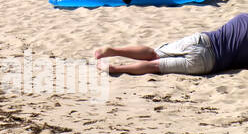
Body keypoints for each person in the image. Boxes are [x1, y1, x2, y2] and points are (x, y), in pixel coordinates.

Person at [96, 12, 248, 78]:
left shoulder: (242, 17)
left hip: (202, 40)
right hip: (208, 61)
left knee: (153, 53)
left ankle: (113, 50)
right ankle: (116, 69)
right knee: (155, 66)